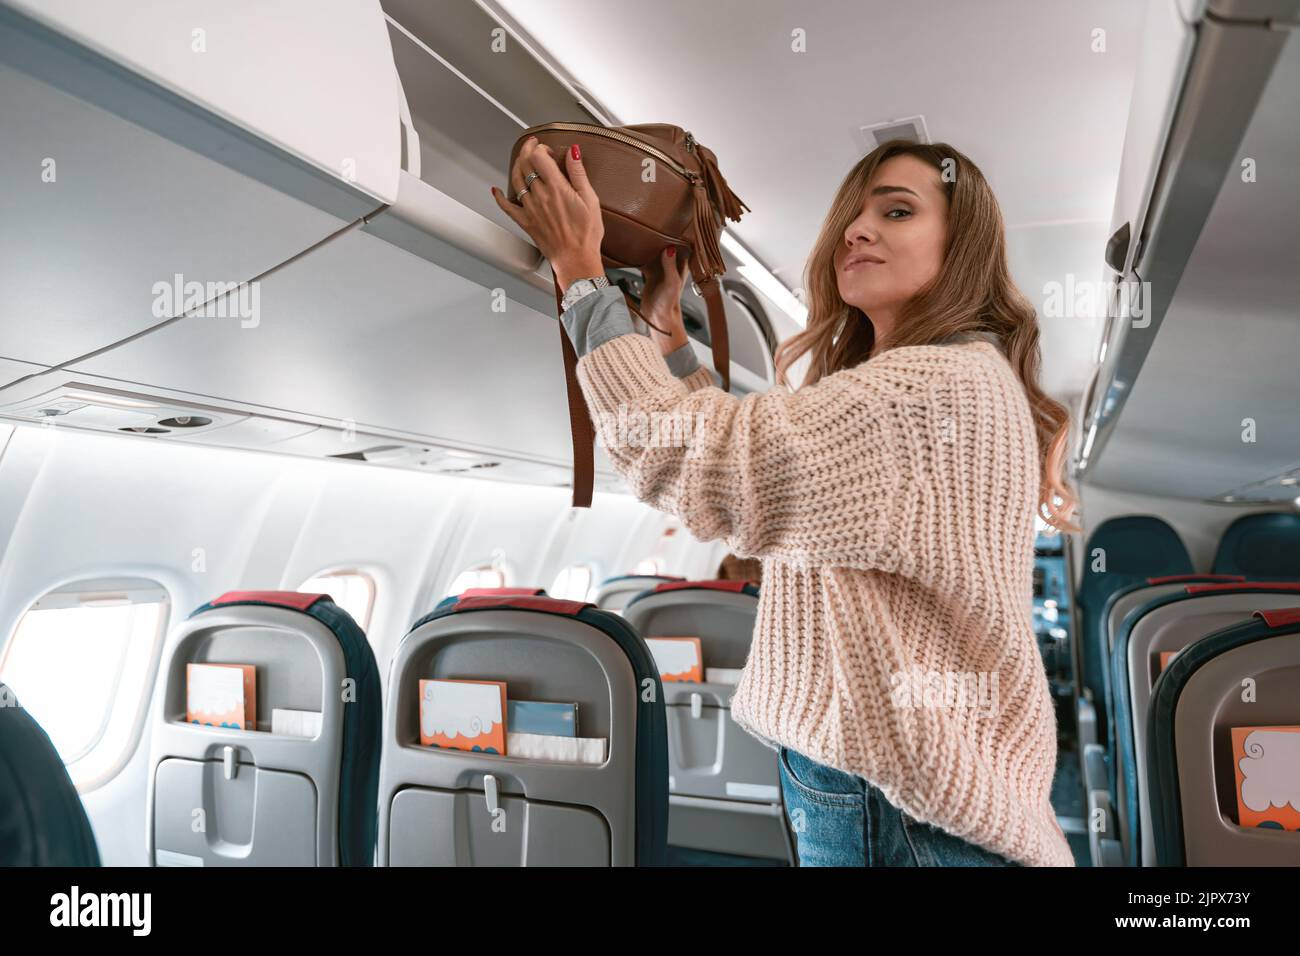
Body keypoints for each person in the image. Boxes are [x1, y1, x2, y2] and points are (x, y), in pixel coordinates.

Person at [492, 136, 1078, 867]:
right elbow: (767, 478)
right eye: (853, 217)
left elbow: (694, 459)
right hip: (901, 797)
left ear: (962, 249)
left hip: (895, 806)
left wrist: (582, 277)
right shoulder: (943, 381)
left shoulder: (928, 390)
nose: (857, 231)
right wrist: (672, 344)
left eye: (897, 212)